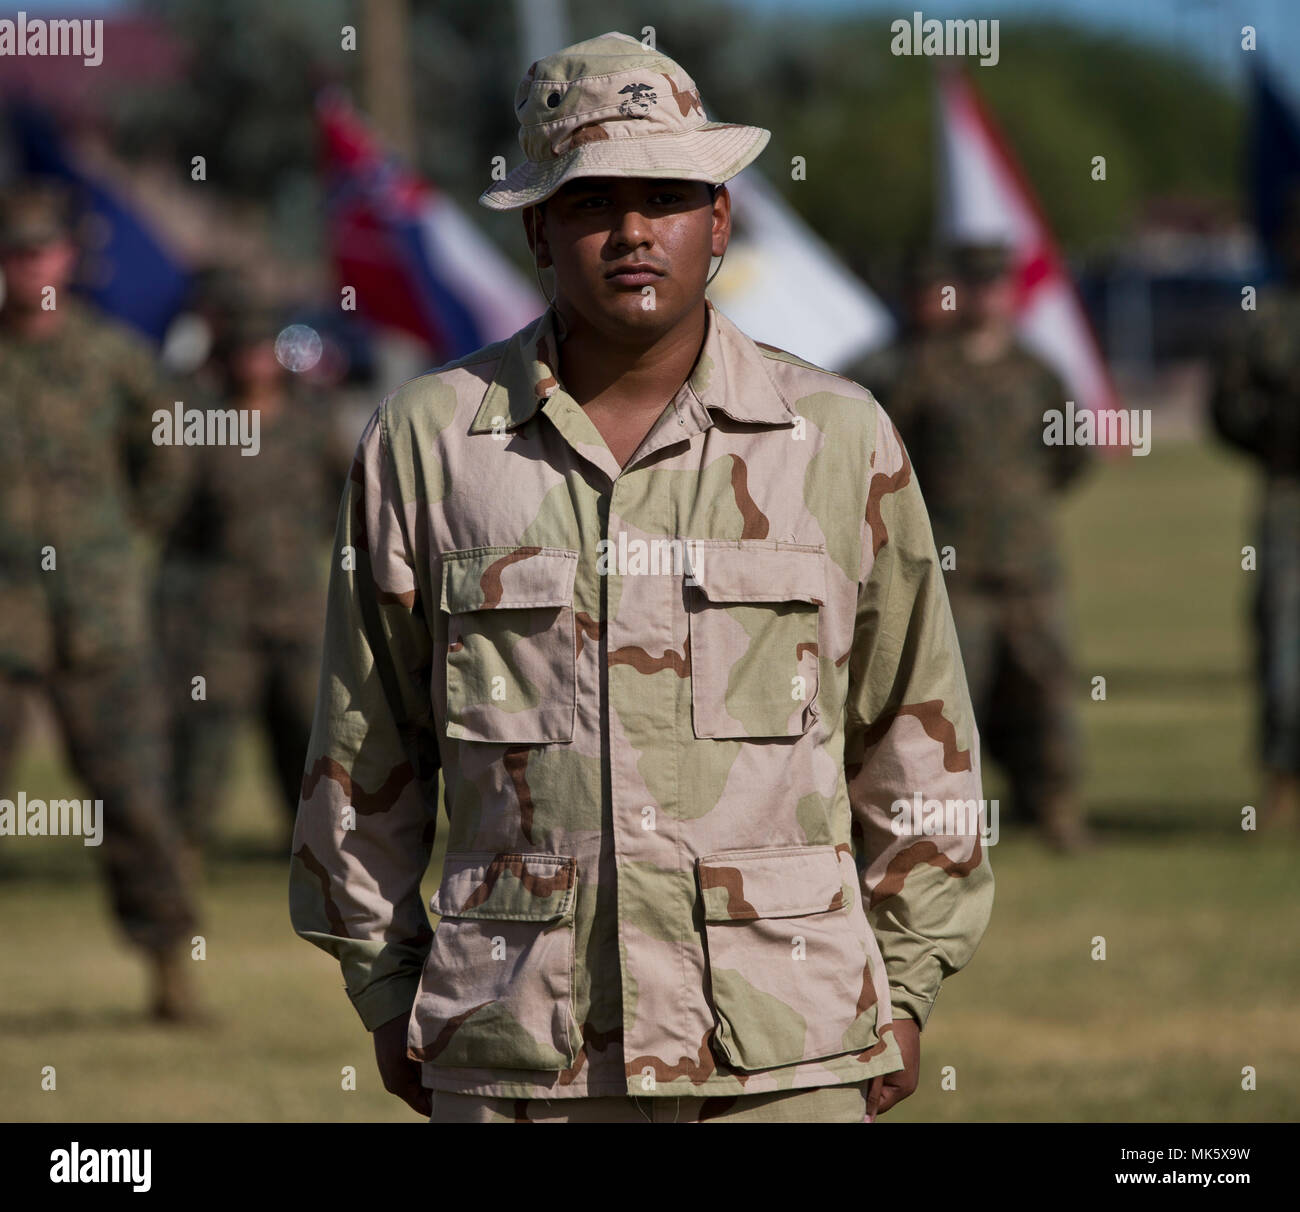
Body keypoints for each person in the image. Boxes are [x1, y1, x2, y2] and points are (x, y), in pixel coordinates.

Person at [290, 30, 993, 1124]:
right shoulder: (429, 443)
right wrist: (387, 992)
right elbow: (361, 745)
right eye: (588, 202)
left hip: (787, 1049)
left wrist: (903, 986)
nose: (631, 232)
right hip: (523, 1048)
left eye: (667, 195)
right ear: (536, 226)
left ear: (718, 220)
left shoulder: (837, 437)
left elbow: (915, 727)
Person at [0, 180, 201, 1019]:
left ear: (68, 259)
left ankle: (171, 978)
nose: (31, 266)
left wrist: (121, 546)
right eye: (16, 253)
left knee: (134, 802)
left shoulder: (115, 356)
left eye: (44, 250)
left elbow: (169, 457)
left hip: (99, 617)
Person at [885, 241, 1094, 853]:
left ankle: (1057, 808)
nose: (986, 297)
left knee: (1046, 688)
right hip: (955, 567)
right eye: (974, 285)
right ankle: (948, 825)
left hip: (1030, 564)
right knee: (949, 700)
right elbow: (894, 456)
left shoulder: (1037, 371)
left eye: (997, 284)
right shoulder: (925, 370)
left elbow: (1071, 455)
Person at [157, 282, 348, 858]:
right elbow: (168, 515)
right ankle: (182, 847)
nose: (253, 361)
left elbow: (353, 501)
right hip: (218, 615)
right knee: (205, 734)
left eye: (262, 348)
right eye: (241, 349)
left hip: (295, 606)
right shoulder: (203, 427)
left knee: (305, 730)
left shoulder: (313, 425)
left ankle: (314, 848)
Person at [1209, 192, 1300, 830]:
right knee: (1283, 644)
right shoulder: (1264, 321)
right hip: (1288, 498)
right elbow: (1227, 409)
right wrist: (1277, 436)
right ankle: (1283, 781)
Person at [847, 244, 956, 404]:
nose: (928, 299)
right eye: (919, 290)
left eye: (938, 290)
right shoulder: (879, 367)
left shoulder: (979, 354)